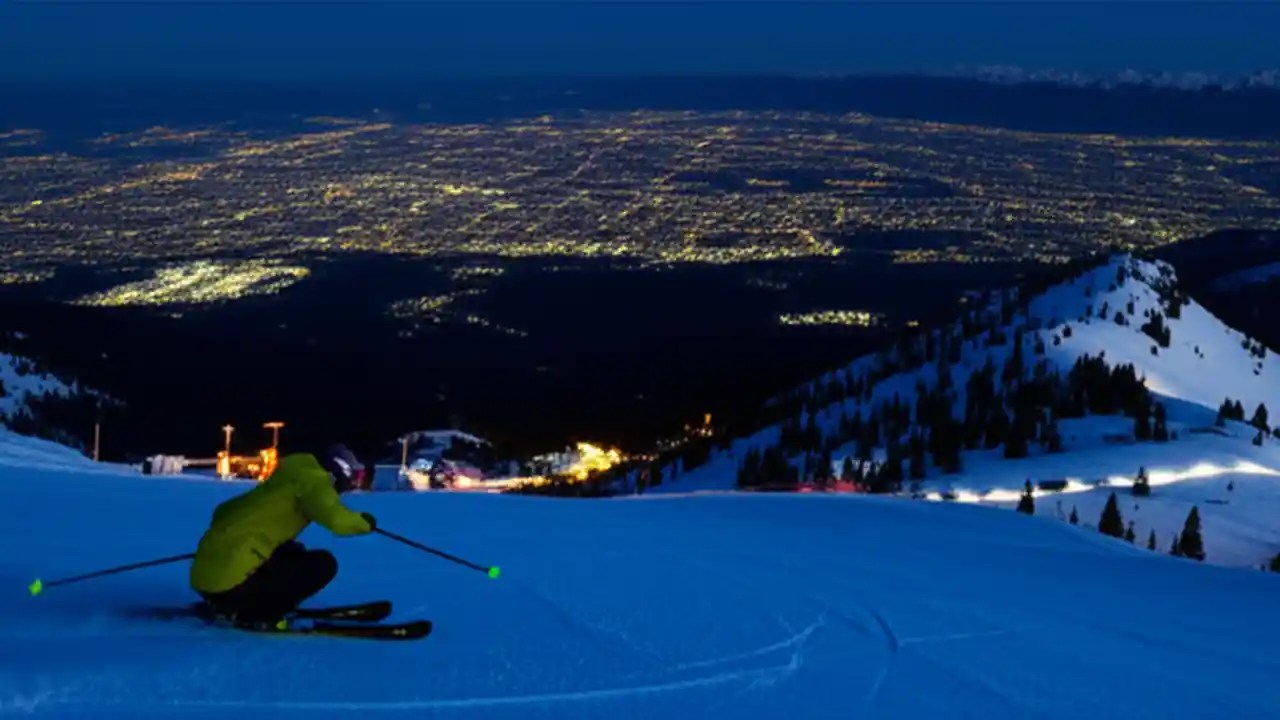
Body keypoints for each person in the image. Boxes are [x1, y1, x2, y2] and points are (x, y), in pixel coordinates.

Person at [189, 444, 376, 626]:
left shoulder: (286, 479)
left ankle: (228, 602)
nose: (353, 484)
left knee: (291, 551)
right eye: (355, 476)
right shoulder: (314, 481)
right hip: (228, 585)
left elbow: (221, 512)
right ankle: (261, 611)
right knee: (323, 564)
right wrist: (364, 523)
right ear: (342, 471)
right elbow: (337, 520)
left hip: (204, 580)